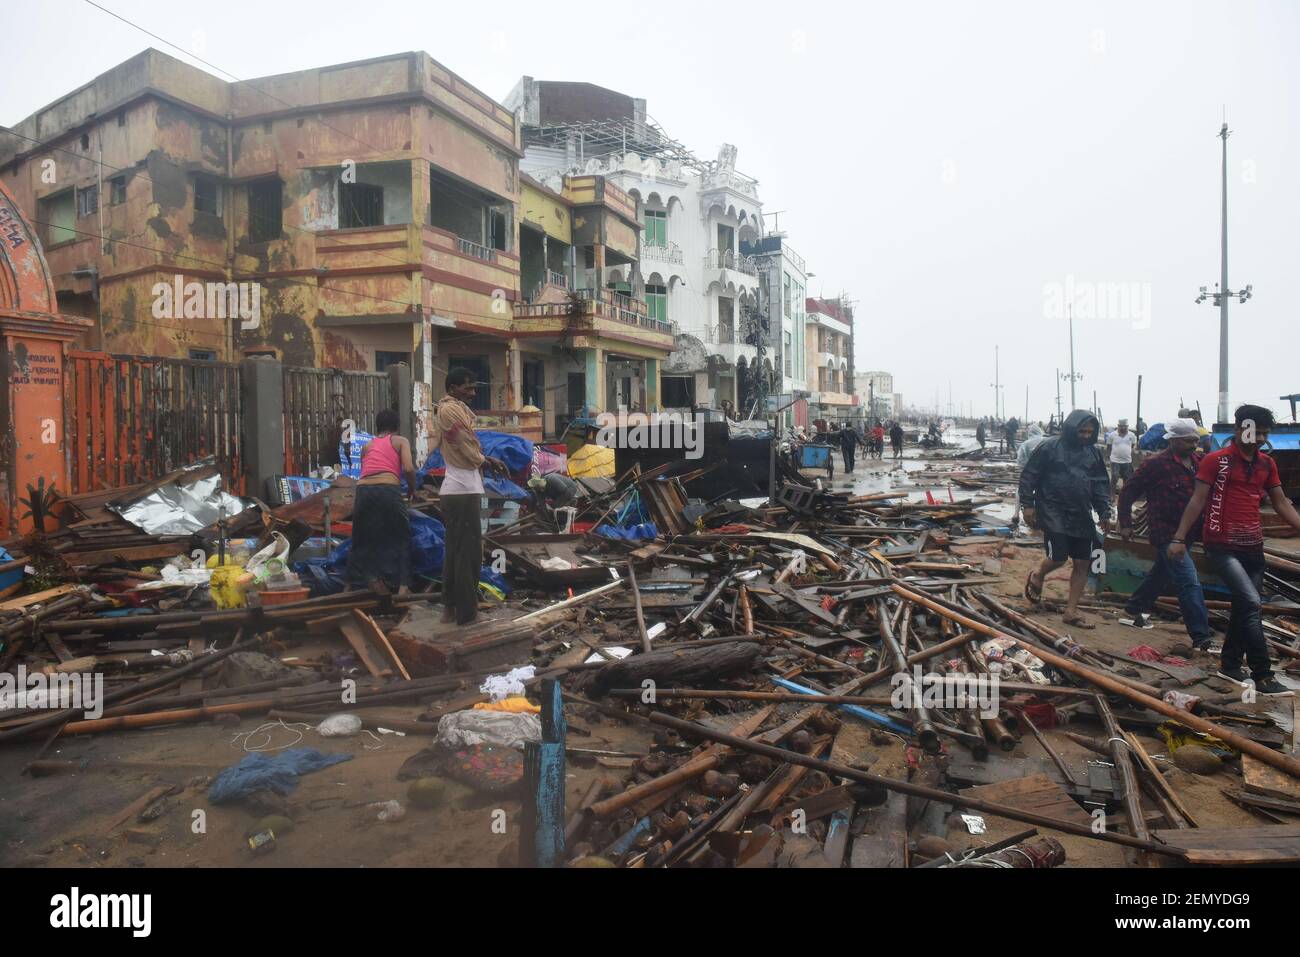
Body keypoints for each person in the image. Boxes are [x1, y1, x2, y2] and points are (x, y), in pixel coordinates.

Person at [1169, 405, 1300, 696]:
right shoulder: (1216, 461)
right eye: (1257, 430)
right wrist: (1179, 538)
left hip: (1253, 547)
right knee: (1252, 604)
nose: (1262, 437)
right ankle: (1263, 675)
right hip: (1222, 545)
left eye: (1266, 432)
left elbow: (1281, 503)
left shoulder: (1267, 464)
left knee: (1245, 607)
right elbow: (1197, 500)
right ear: (1240, 428)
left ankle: (1229, 665)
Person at [1117, 418, 1212, 649]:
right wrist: (1126, 522)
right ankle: (1202, 638)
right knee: (1189, 582)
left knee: (1162, 573)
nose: (1194, 445)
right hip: (1166, 531)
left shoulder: (1200, 464)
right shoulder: (1156, 464)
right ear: (1174, 440)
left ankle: (1133, 609)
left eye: (1196, 440)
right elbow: (1129, 491)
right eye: (1189, 441)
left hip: (1189, 532)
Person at [1019, 409, 1111, 628]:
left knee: (1083, 561)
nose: (1086, 436)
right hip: (1053, 510)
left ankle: (1071, 610)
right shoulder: (1050, 447)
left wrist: (1104, 511)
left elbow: (1099, 484)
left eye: (1090, 432)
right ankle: (1038, 574)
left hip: (1081, 512)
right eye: (1082, 431)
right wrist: (1027, 505)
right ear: (1071, 428)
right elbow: (1029, 476)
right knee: (1058, 557)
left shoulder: (1093, 453)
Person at [431, 368, 508, 626]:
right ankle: (466, 614)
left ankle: (450, 609)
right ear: (453, 388)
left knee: (455, 552)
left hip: (460, 488)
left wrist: (486, 460)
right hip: (462, 490)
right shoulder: (450, 410)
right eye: (468, 388)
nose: (473, 393)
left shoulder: (453, 409)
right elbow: (464, 444)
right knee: (469, 554)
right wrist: (485, 461)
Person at [346, 408, 418, 595]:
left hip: (363, 490)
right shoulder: (400, 441)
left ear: (377, 426)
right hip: (388, 488)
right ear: (397, 426)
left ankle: (353, 584)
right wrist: (412, 489)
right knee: (401, 537)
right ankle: (403, 586)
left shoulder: (367, 446)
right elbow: (409, 468)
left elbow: (365, 471)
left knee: (362, 539)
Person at [1105, 418, 1137, 493]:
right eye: (1121, 426)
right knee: (1114, 478)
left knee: (1127, 480)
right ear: (1118, 426)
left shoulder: (1132, 435)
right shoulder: (1112, 435)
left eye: (1124, 426)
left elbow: (1132, 446)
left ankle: (1124, 496)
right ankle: (1112, 495)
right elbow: (1109, 447)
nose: (1123, 427)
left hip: (1127, 461)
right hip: (1115, 461)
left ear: (1127, 426)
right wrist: (1111, 457)